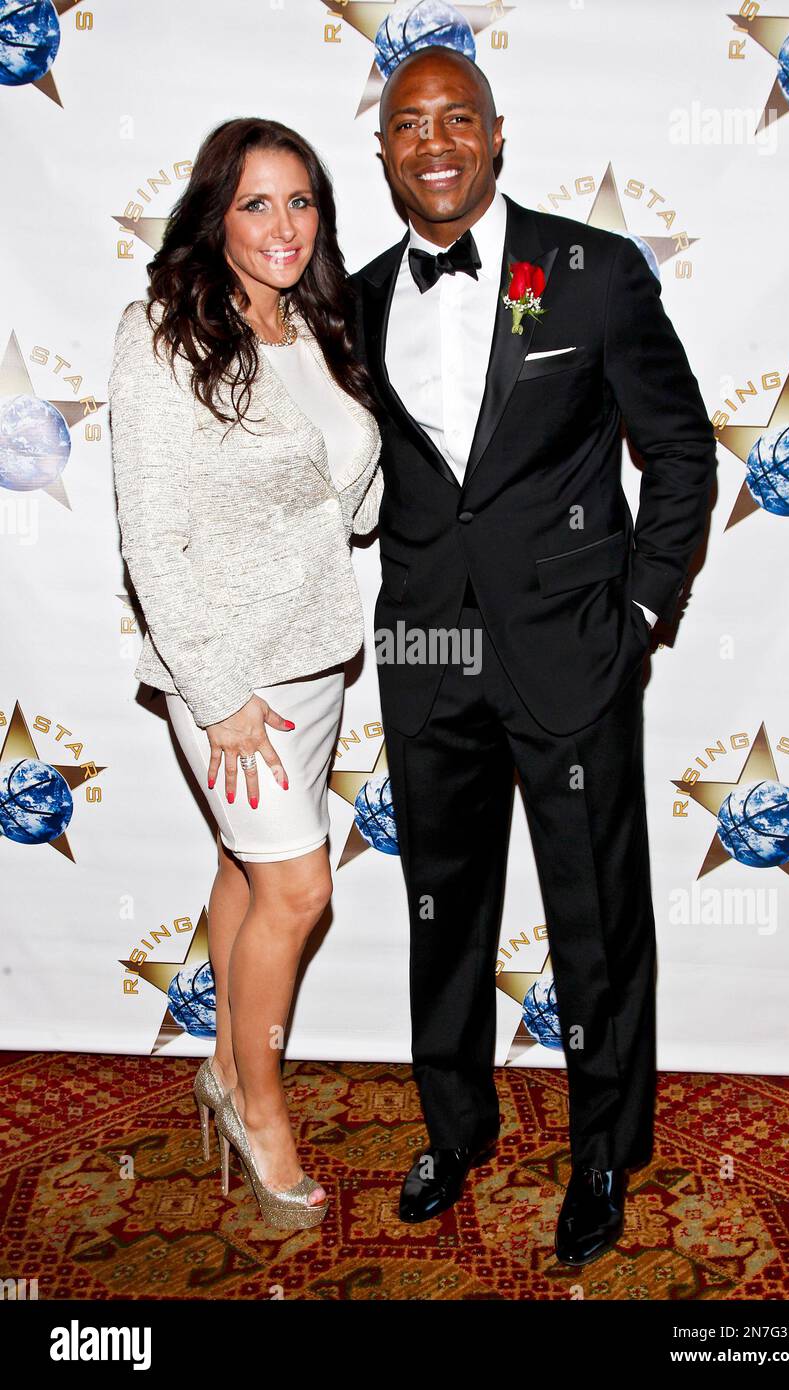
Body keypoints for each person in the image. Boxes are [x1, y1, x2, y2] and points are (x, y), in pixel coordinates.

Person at [349, 46, 717, 1264]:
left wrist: (642, 612)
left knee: (596, 919)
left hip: (573, 649)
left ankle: (606, 1146)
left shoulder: (592, 272)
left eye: (459, 118)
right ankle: (456, 1127)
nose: (436, 142)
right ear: (387, 149)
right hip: (425, 645)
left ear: (497, 135)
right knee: (441, 906)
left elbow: (681, 452)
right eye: (410, 124)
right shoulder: (349, 304)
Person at [109, 117, 383, 1231]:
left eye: (302, 201)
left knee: (245, 868)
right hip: (230, 678)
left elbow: (343, 483)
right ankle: (254, 1100)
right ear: (214, 215)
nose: (283, 224)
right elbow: (149, 533)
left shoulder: (317, 321)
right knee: (298, 889)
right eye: (256, 203)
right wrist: (215, 693)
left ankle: (227, 1056)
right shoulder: (163, 334)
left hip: (317, 656)